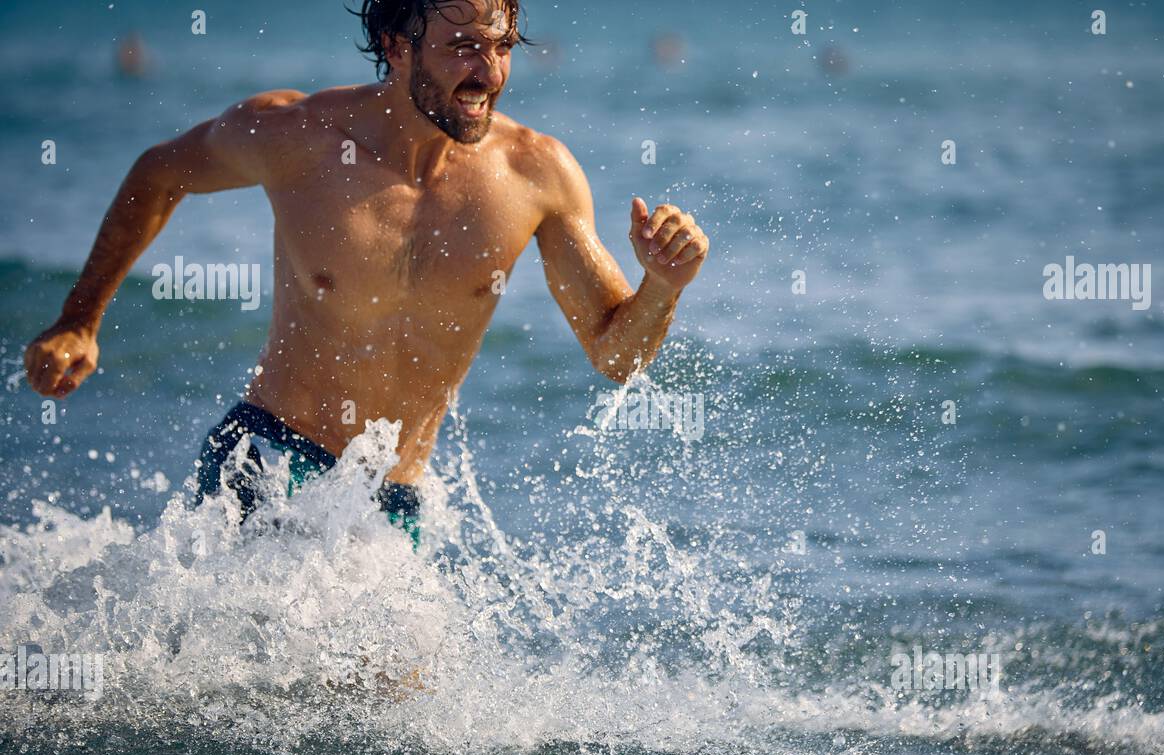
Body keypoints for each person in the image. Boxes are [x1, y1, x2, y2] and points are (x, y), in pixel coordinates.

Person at [24, 0, 709, 536]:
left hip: (394, 501)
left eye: (501, 46)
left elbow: (617, 353)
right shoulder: (298, 136)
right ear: (396, 47)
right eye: (462, 46)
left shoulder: (536, 174)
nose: (489, 71)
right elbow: (160, 172)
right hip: (267, 462)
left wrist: (662, 284)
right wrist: (80, 319)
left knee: (400, 706)